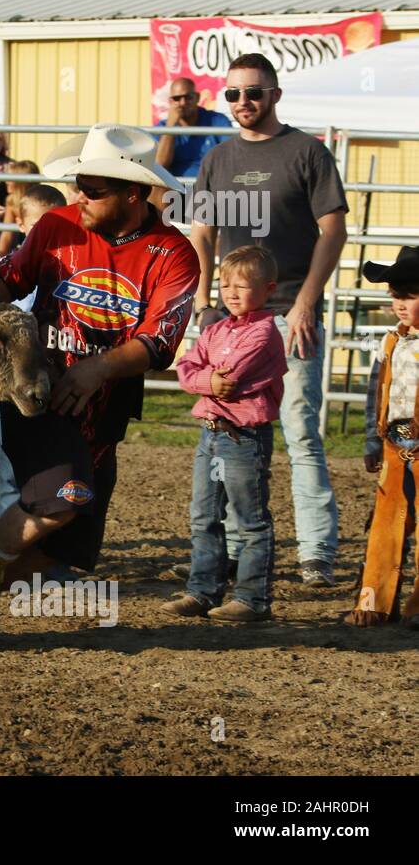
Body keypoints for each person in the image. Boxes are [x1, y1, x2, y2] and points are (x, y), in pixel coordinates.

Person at [0, 124, 200, 644]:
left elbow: (161, 342)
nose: (80, 196)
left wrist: (97, 368)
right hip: (39, 389)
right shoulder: (57, 227)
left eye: (93, 189)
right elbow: (8, 277)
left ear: (134, 193)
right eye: (79, 185)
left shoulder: (173, 254)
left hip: (105, 405)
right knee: (61, 498)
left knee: (67, 546)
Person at [189, 52, 348, 587]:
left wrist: (305, 301)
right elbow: (204, 234)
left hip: (288, 318)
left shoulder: (307, 152)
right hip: (232, 324)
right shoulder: (217, 159)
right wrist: (203, 298)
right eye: (233, 94)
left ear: (275, 94)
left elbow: (334, 231)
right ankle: (236, 551)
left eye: (254, 92)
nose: (243, 102)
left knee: (299, 432)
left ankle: (316, 552)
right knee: (231, 435)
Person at [163, 246, 286, 623]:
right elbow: (187, 368)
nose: (231, 292)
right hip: (213, 434)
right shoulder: (215, 329)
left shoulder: (264, 335)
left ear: (268, 289)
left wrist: (207, 378)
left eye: (243, 285)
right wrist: (207, 380)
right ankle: (203, 591)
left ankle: (252, 598)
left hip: (243, 438)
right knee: (204, 516)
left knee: (249, 519)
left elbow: (229, 377)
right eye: (225, 284)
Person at [346, 247, 419, 629]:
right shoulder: (391, 343)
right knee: (385, 527)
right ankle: (374, 601)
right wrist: (373, 441)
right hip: (395, 445)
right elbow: (377, 393)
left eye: (410, 295)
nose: (400, 304)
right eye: (395, 295)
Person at [0, 184, 64, 521]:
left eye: (56, 225)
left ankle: (43, 545)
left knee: (55, 463)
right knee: (12, 469)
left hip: (58, 380)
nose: (46, 235)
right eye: (38, 227)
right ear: (20, 224)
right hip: (13, 385)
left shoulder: (71, 272)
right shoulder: (5, 271)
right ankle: (8, 544)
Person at [154, 77, 232, 179]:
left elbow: (230, 160)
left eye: (188, 97)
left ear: (197, 97)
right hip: (177, 189)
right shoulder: (162, 127)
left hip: (212, 185)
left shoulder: (218, 120)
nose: (183, 103)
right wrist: (170, 126)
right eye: (177, 98)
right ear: (171, 102)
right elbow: (160, 166)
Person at [0, 159, 41, 258]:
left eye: (10, 178)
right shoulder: (11, 202)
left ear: (21, 182)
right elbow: (6, 234)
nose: (6, 182)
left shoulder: (41, 202)